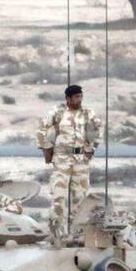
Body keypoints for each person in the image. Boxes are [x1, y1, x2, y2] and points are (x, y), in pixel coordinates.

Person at [36, 83, 102, 239]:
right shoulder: (58, 112)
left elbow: (99, 129)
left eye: (81, 96)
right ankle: (58, 232)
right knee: (59, 197)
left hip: (81, 160)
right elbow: (41, 129)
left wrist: (91, 148)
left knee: (80, 197)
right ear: (68, 98)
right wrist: (46, 147)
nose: (79, 100)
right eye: (76, 97)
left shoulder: (87, 113)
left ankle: (77, 232)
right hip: (62, 159)